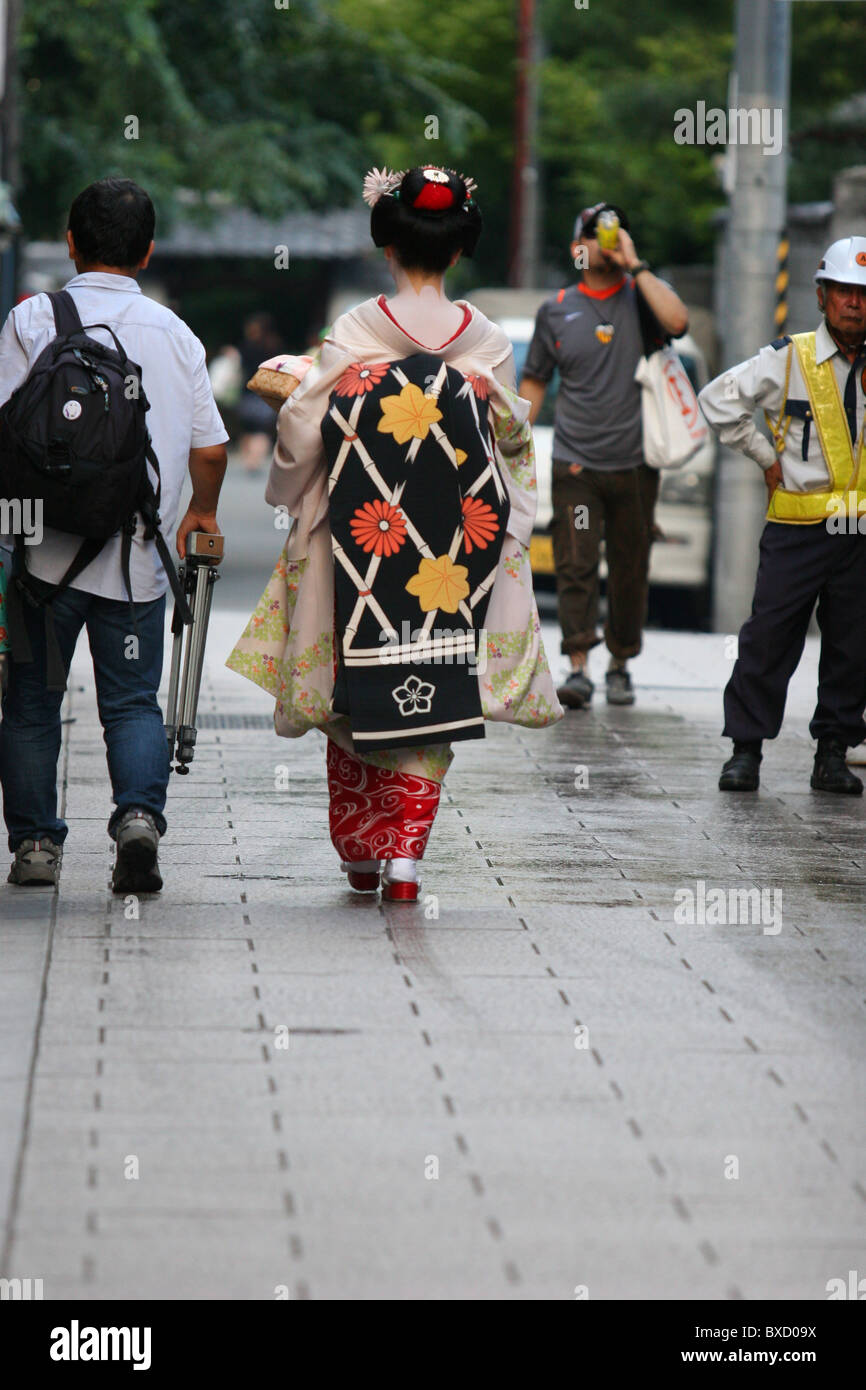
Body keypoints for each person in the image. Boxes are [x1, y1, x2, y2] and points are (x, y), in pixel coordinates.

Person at [227, 165, 562, 902]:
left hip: (360, 544)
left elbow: (305, 433)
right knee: (435, 687)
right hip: (453, 552)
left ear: (387, 241)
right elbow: (511, 447)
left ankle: (362, 852)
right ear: (459, 248)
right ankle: (408, 861)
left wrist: (285, 488)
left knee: (351, 694)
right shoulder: (484, 340)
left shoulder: (356, 329)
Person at [0, 177, 229, 889]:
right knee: (131, 701)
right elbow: (211, 449)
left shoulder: (32, 320)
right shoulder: (175, 333)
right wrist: (202, 514)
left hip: (41, 553)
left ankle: (36, 846)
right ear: (149, 251)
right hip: (136, 559)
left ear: (70, 243)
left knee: (32, 701)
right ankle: (136, 818)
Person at [699, 236, 866, 795]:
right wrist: (765, 457)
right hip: (797, 529)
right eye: (843, 290)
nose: (854, 303)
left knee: (852, 644)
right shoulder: (787, 357)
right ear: (821, 296)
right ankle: (745, 751)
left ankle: (833, 753)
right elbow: (717, 400)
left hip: (861, 533)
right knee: (769, 638)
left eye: (863, 294)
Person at [519, 202, 689, 709]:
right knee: (574, 562)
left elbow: (677, 321)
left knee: (630, 567)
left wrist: (635, 264)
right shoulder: (556, 308)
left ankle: (620, 662)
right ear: (577, 247)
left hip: (637, 464)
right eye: (595, 235)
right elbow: (533, 382)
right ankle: (578, 665)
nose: (606, 242)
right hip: (575, 463)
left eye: (615, 233)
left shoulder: (642, 299)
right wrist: (509, 442)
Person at [237, 313, 284, 474]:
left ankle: (250, 460)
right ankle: (254, 461)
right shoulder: (274, 347)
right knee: (261, 429)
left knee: (249, 429)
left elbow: (240, 368)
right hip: (265, 393)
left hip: (249, 392)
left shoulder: (245, 348)